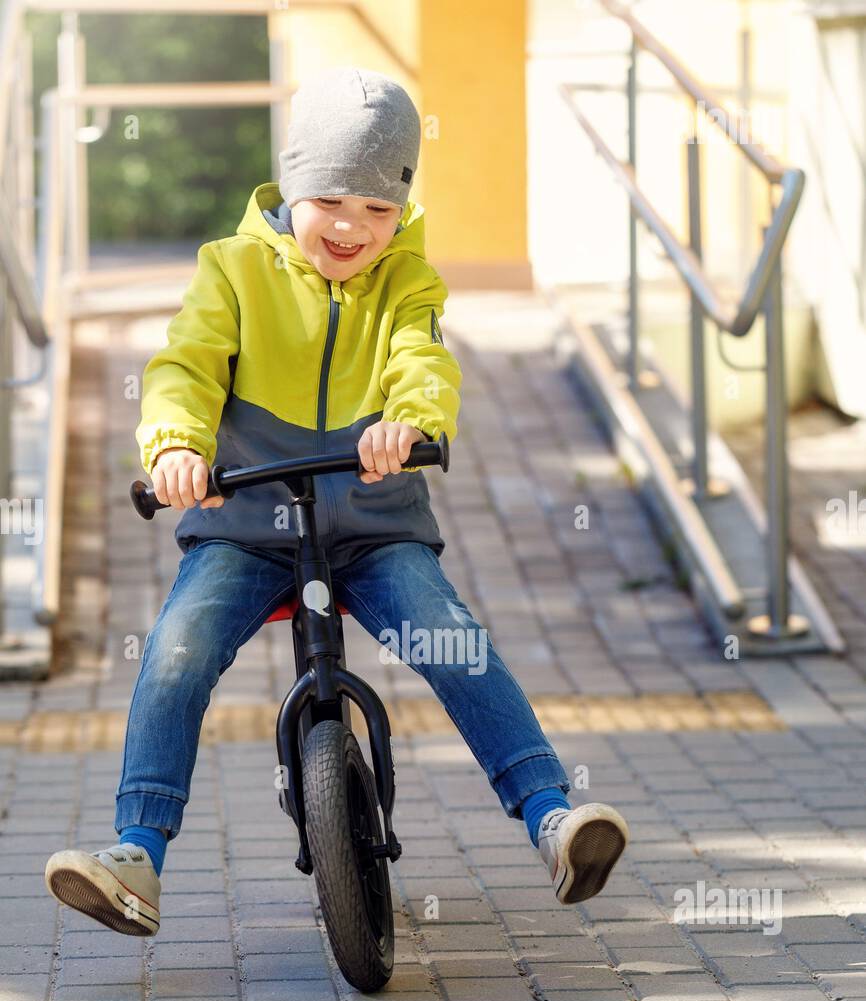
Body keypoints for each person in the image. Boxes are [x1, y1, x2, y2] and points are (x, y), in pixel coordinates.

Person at [45, 67, 629, 939]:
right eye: (330, 199)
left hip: (371, 521)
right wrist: (174, 444)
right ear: (291, 185)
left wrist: (409, 421)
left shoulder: (408, 281)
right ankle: (139, 851)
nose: (353, 226)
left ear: (400, 211)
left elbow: (423, 360)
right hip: (243, 522)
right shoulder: (233, 270)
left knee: (455, 645)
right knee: (175, 651)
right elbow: (185, 366)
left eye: (378, 208)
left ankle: (550, 815)